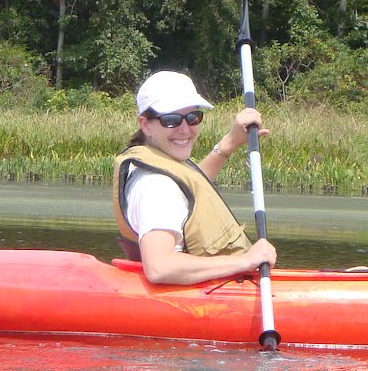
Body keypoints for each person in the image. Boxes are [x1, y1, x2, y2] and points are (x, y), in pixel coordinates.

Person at [112, 70, 278, 285]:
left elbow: (189, 190)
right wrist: (246, 260)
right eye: (171, 120)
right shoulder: (155, 186)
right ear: (146, 124)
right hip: (188, 299)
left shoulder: (159, 163)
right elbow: (159, 267)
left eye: (193, 117)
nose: (185, 129)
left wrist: (229, 143)